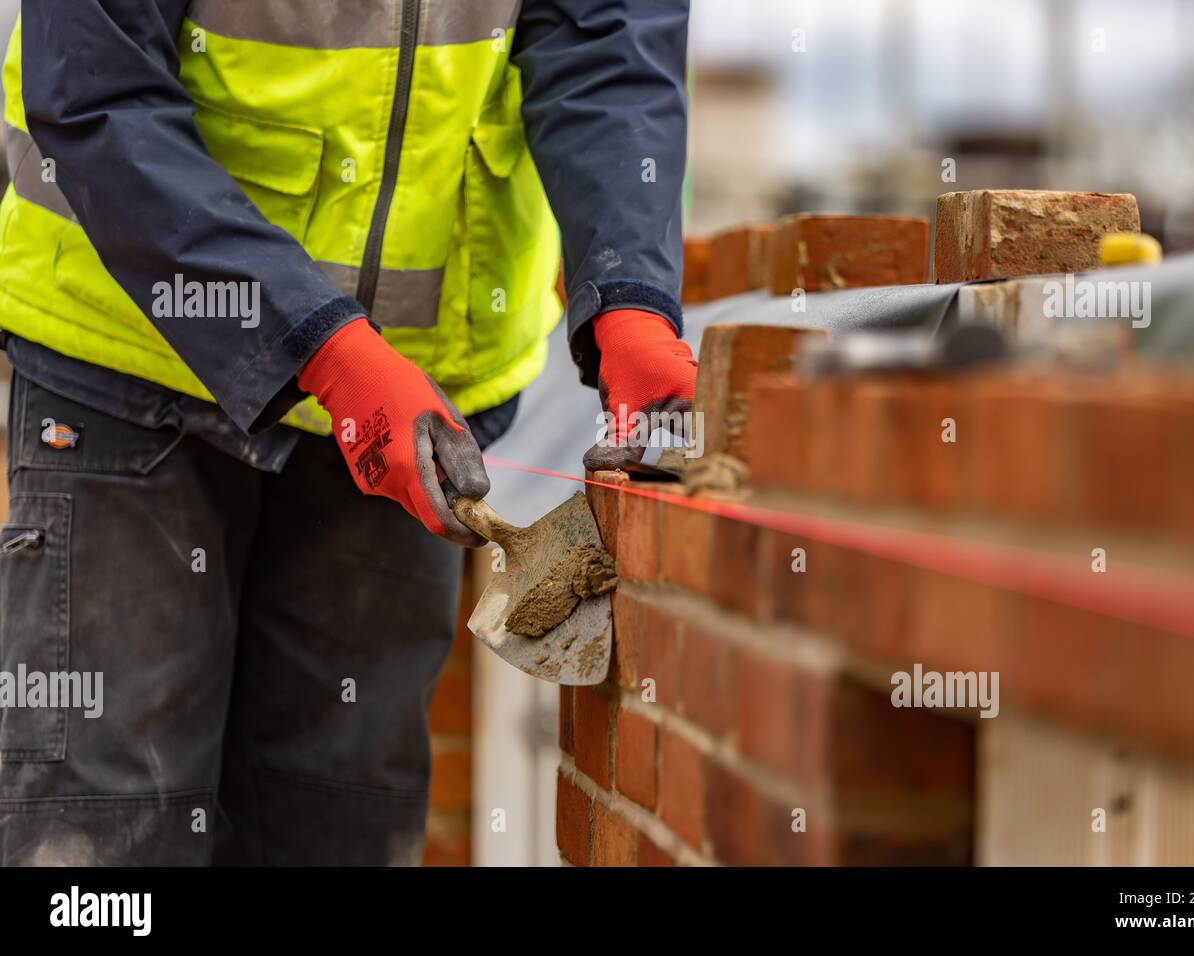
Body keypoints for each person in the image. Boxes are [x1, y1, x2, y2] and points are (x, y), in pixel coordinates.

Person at [0, 0, 696, 865]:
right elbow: (95, 87)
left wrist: (630, 294)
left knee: (340, 830)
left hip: (411, 408)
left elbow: (606, 41)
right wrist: (317, 346)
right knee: (104, 841)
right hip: (134, 364)